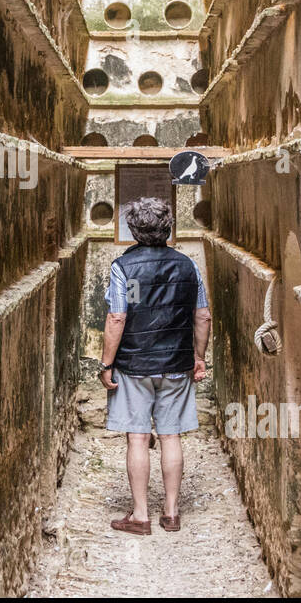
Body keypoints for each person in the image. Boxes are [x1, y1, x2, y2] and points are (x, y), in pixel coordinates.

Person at [98, 196, 211, 535]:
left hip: (134, 364)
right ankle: (172, 512)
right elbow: (202, 315)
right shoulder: (187, 266)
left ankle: (141, 515)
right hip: (177, 362)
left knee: (137, 436)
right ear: (168, 228)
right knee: (171, 435)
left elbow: (118, 317)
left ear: (133, 229)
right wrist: (199, 356)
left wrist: (106, 363)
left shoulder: (124, 268)